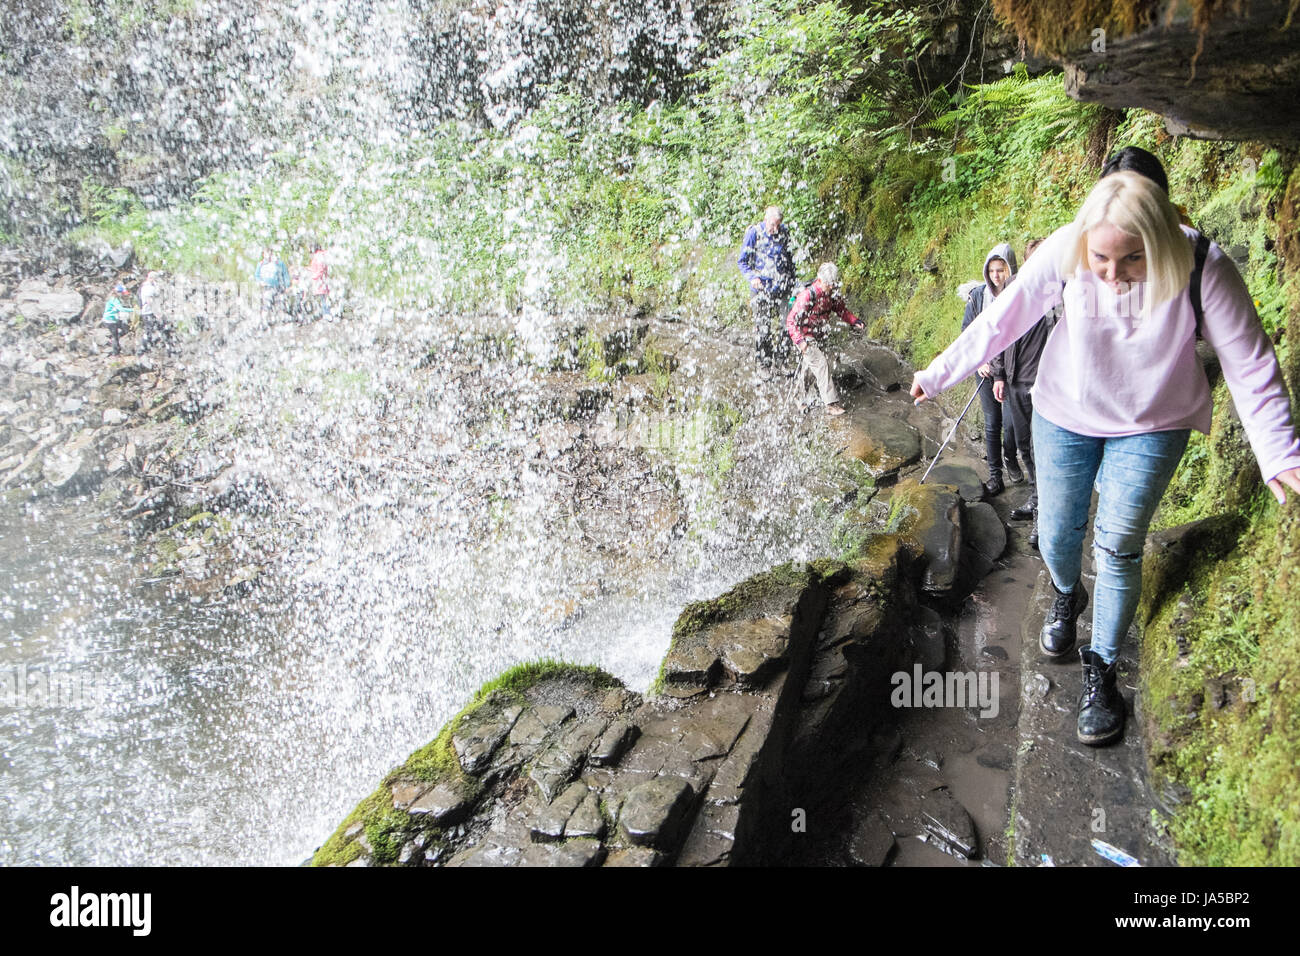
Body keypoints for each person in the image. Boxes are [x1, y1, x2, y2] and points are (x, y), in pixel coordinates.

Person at [909, 169, 1300, 747]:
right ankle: (1068, 593)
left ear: (1163, 239)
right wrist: (938, 373)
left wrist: (1280, 453)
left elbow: (1250, 363)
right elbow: (1000, 320)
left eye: (1132, 261)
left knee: (1117, 545)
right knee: (1056, 536)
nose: (1113, 276)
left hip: (1153, 422)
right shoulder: (1066, 252)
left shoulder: (1202, 267)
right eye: (1101, 260)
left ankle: (1103, 669)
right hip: (1065, 413)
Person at [989, 238, 1061, 547]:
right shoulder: (1015, 290)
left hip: (1044, 384)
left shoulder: (1058, 295)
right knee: (1024, 445)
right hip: (1016, 382)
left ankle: (1045, 517)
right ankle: (1036, 497)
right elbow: (999, 333)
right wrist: (999, 374)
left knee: (1041, 448)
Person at [962, 244, 1022, 496]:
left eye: (1001, 269)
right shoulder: (978, 297)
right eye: (992, 270)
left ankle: (1010, 456)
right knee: (992, 422)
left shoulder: (1019, 296)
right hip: (984, 369)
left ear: (1010, 270)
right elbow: (968, 332)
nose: (996, 275)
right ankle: (995, 475)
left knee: (1011, 425)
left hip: (1012, 371)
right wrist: (980, 362)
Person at [785, 262, 863, 416]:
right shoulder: (807, 296)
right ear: (820, 280)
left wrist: (854, 320)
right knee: (821, 364)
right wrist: (801, 342)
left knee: (810, 367)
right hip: (804, 336)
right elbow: (790, 321)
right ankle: (831, 404)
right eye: (828, 284)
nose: (831, 287)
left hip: (820, 333)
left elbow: (841, 309)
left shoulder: (832, 293)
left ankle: (798, 397)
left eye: (833, 283)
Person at [737, 205, 796, 372]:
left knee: (788, 324)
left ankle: (781, 360)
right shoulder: (754, 233)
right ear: (765, 220)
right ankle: (764, 364)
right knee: (763, 328)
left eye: (778, 225)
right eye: (772, 225)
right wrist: (752, 277)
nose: (775, 229)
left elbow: (789, 258)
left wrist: (793, 281)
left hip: (782, 287)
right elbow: (742, 262)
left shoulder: (784, 232)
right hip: (761, 289)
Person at [255, 248, 290, 322]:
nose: (268, 255)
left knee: (280, 305)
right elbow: (257, 275)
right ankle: (265, 321)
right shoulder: (260, 264)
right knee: (267, 304)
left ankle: (280, 320)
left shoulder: (279, 263)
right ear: (263, 254)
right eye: (266, 253)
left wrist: (287, 285)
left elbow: (285, 274)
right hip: (266, 288)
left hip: (278, 287)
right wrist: (260, 282)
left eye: (269, 253)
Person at [102, 283, 135, 356]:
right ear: (119, 293)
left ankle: (113, 339)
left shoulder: (114, 298)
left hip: (114, 320)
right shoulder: (114, 299)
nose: (123, 295)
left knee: (125, 328)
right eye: (122, 293)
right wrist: (133, 310)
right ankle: (116, 353)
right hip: (110, 321)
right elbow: (121, 309)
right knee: (115, 337)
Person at [307, 244, 330, 319]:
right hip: (321, 280)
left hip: (320, 281)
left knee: (323, 297)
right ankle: (324, 313)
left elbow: (320, 269)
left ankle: (326, 314)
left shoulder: (319, 256)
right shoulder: (320, 255)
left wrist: (314, 277)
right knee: (322, 297)